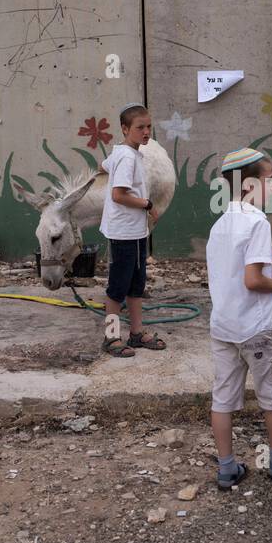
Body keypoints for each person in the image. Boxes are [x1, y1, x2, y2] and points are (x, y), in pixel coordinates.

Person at [205, 148, 272, 490]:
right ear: (250, 184)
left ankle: (227, 468)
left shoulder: (220, 225)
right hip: (257, 328)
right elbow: (252, 281)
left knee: (223, 399)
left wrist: (265, 265)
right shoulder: (257, 221)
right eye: (271, 179)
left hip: (224, 328)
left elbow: (233, 273)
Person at [99, 103, 165, 357]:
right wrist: (147, 204)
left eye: (149, 127)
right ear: (125, 129)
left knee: (136, 286)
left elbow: (104, 166)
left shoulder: (123, 153)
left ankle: (136, 334)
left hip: (135, 233)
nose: (146, 132)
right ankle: (111, 337)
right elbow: (118, 195)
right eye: (140, 128)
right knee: (117, 289)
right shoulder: (127, 157)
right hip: (123, 233)